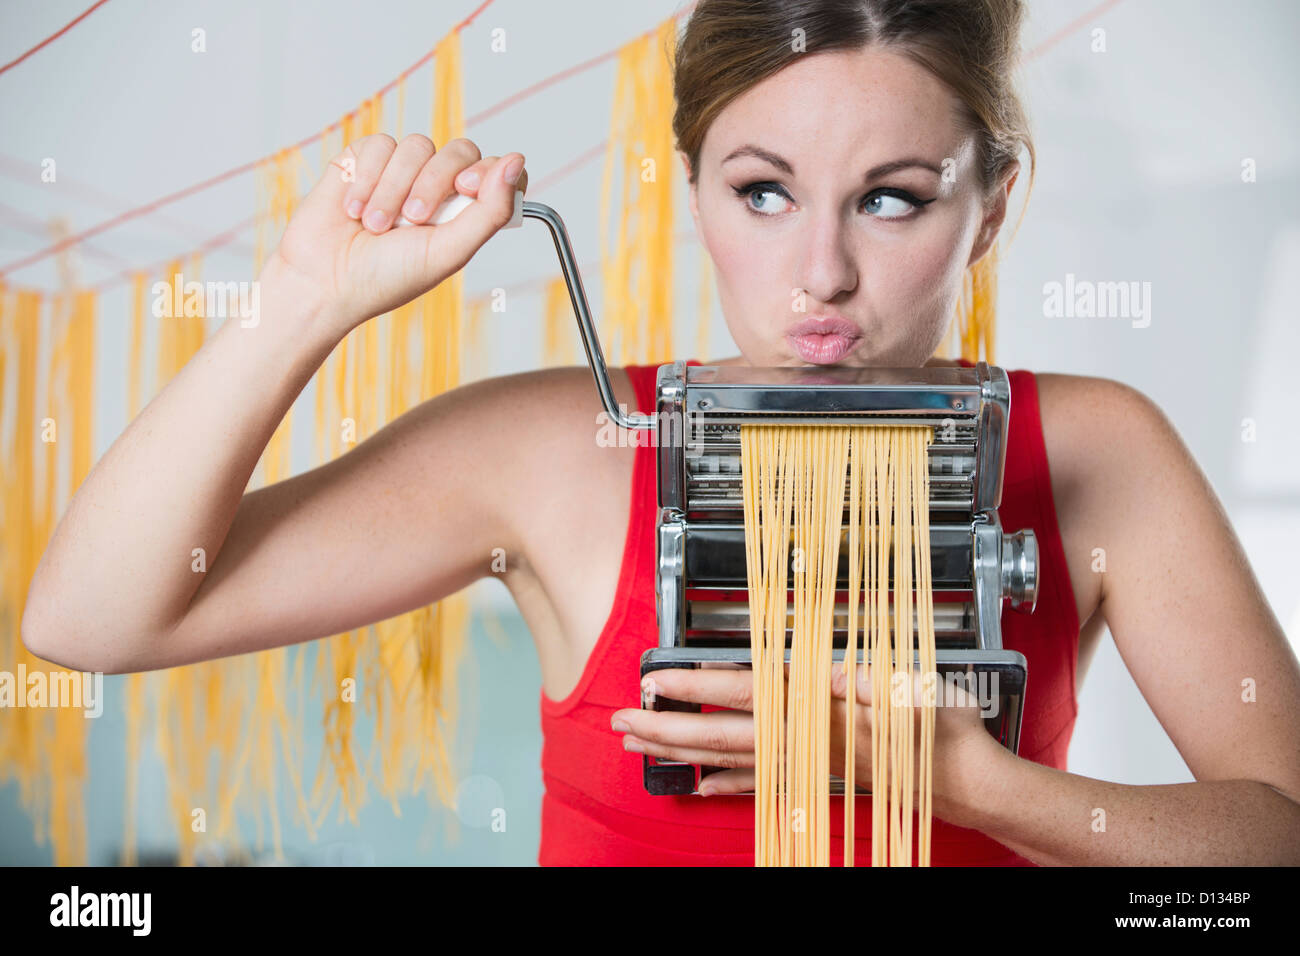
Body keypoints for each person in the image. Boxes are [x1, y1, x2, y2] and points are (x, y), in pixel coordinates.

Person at [21, 0, 1300, 865]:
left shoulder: (1096, 445)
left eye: (894, 200)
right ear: (690, 187)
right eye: (762, 190)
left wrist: (969, 782)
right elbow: (91, 620)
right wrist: (303, 302)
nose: (821, 274)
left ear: (995, 206)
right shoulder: (549, 445)